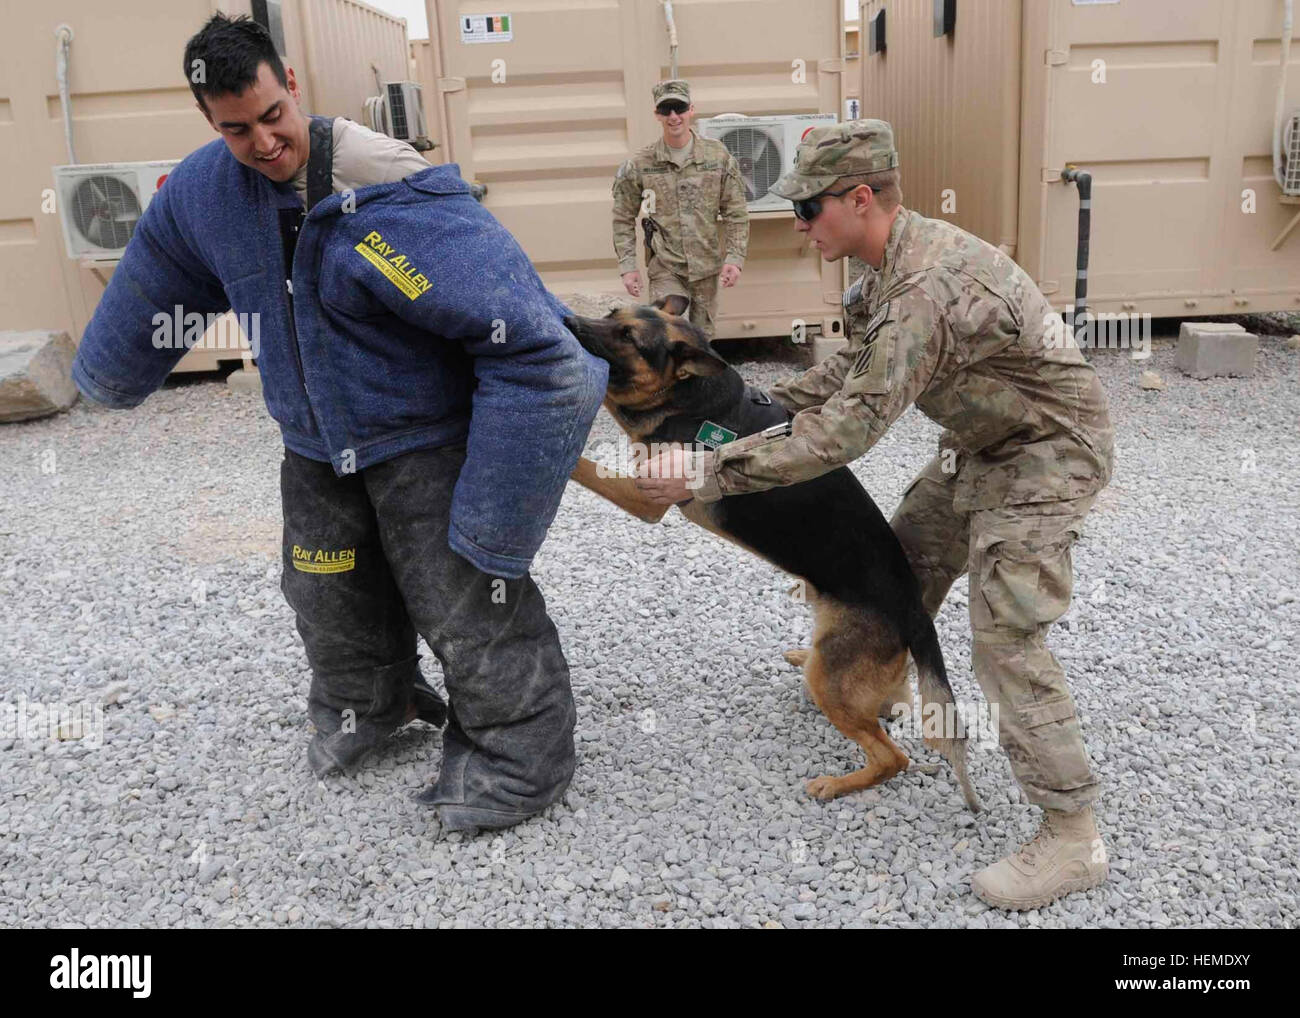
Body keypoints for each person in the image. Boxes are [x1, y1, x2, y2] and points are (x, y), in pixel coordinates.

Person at [70, 14, 607, 833]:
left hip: (421, 437)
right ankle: (371, 709)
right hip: (314, 443)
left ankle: (519, 760)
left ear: (291, 85)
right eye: (236, 130)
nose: (263, 143)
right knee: (327, 593)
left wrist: (500, 517)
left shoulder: (382, 178)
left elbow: (538, 348)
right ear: (210, 120)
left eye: (273, 116)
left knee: (465, 601)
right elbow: (166, 265)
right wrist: (109, 374)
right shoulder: (208, 191)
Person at [635, 120, 1116, 911]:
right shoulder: (881, 273)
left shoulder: (924, 290)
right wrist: (735, 411)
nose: (799, 225)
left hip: (1047, 455)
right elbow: (839, 382)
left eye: (808, 208)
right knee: (898, 567)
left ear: (861, 199)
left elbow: (846, 432)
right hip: (982, 442)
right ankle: (870, 686)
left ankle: (1073, 836)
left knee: (1005, 635)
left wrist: (707, 468)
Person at [611, 79, 749, 339]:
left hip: (706, 266)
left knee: (701, 339)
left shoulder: (717, 157)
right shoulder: (641, 164)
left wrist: (735, 258)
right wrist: (628, 266)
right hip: (666, 265)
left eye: (680, 108)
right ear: (657, 115)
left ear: (691, 110)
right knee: (667, 333)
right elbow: (623, 217)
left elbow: (736, 211)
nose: (674, 116)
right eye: (666, 110)